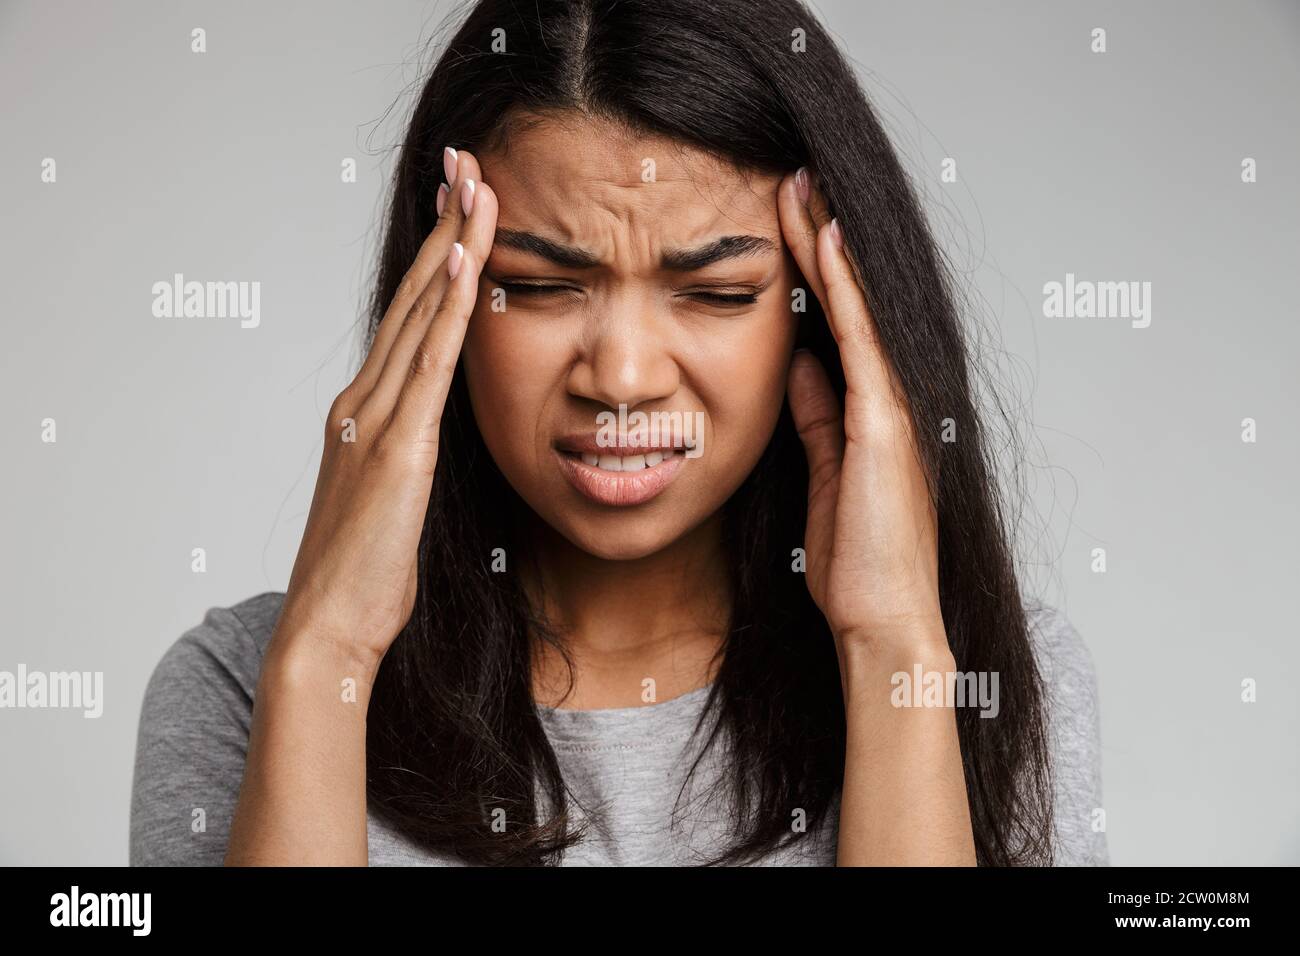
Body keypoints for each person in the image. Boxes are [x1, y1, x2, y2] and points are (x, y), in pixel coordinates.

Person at [130, 0, 1107, 867]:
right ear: (444, 295)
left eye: (717, 292)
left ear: (817, 312)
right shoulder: (245, 686)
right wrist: (330, 652)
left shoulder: (990, 676)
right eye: (546, 286)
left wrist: (892, 648)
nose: (623, 378)